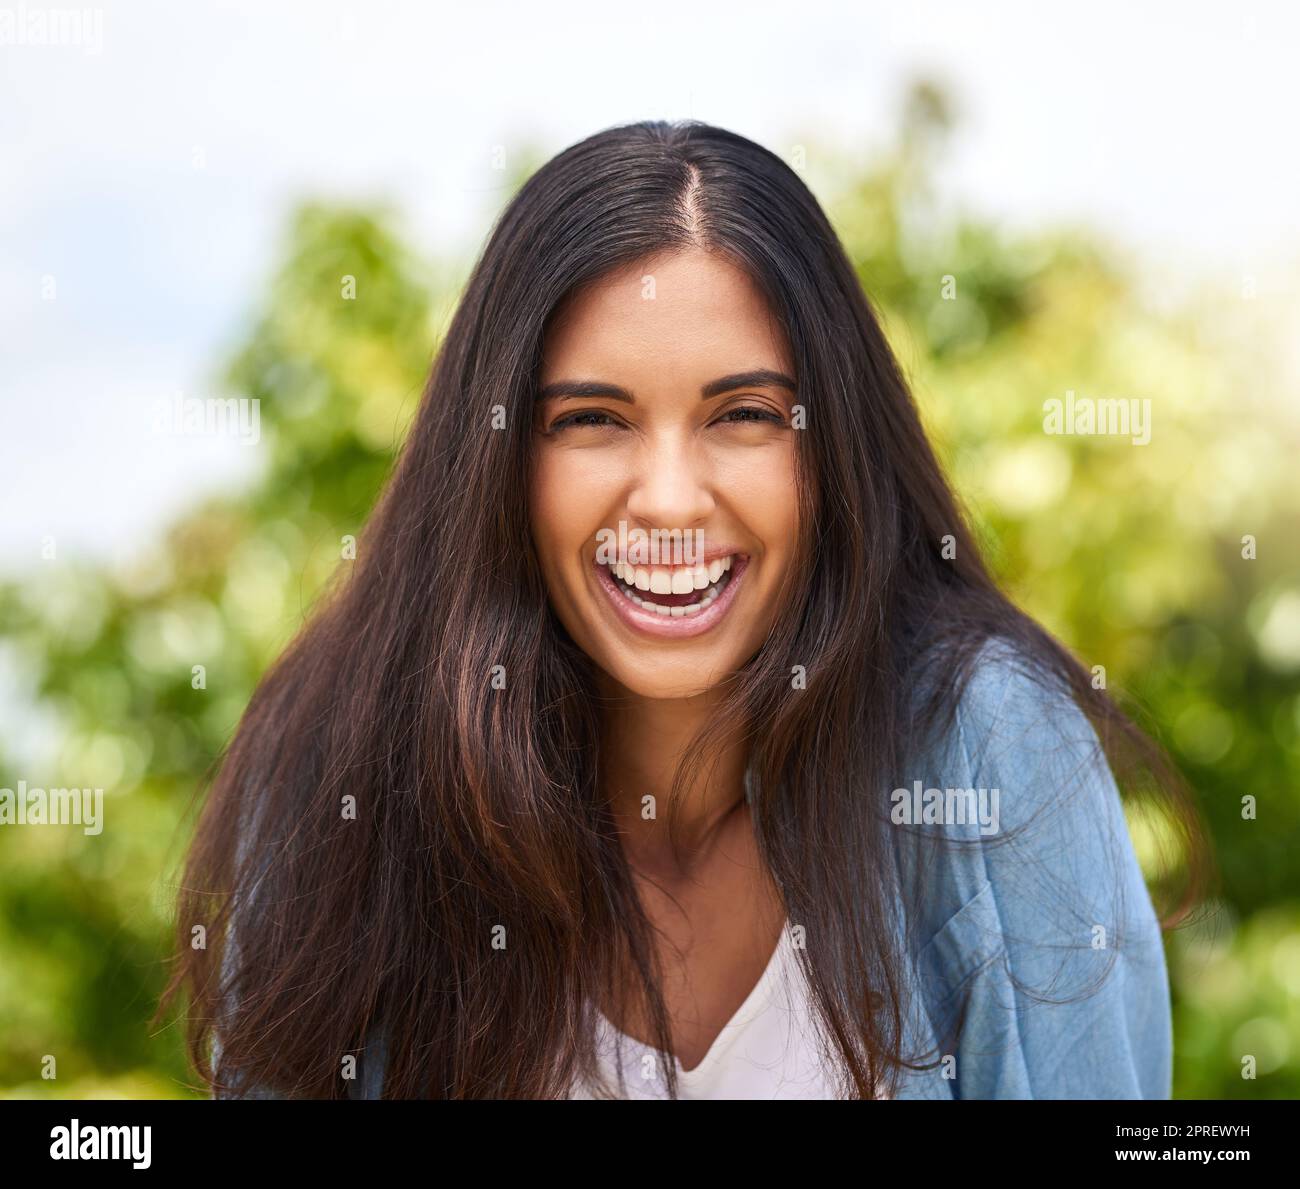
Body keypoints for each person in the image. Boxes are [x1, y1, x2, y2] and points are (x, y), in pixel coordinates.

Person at [165, 120, 1207, 1100]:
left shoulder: (986, 745)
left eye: (743, 415)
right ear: (497, 460)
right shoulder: (345, 759)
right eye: (591, 419)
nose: (667, 497)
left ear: (830, 449)